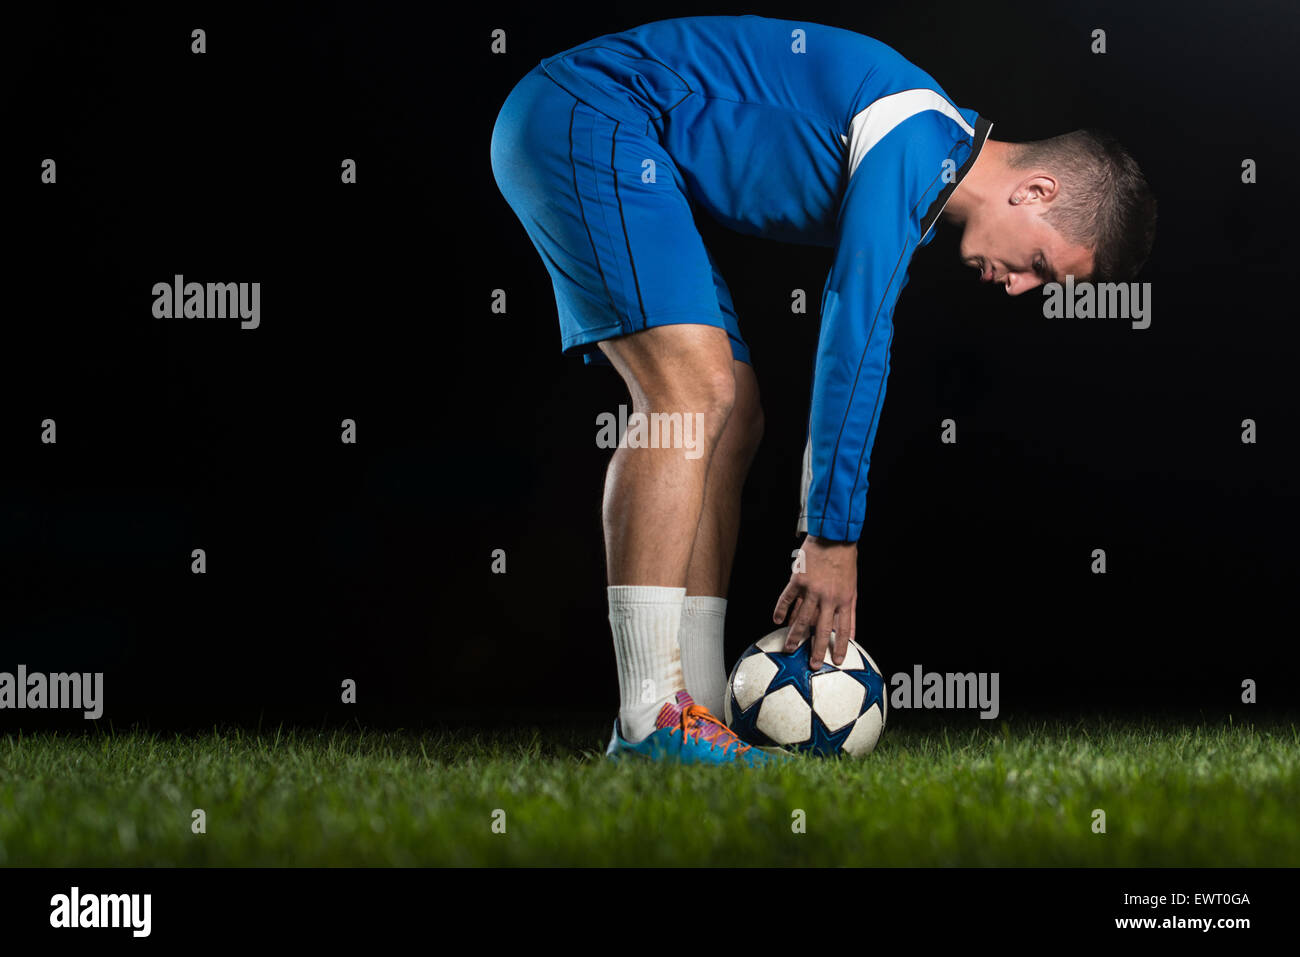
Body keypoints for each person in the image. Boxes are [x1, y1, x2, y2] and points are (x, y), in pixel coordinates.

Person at [489, 15, 1156, 764]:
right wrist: (831, 536)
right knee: (691, 395)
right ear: (1036, 190)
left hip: (625, 143)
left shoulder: (926, 163)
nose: (1020, 287)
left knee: (732, 414)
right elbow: (856, 335)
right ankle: (648, 717)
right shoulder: (914, 137)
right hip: (586, 111)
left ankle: (699, 708)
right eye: (1040, 263)